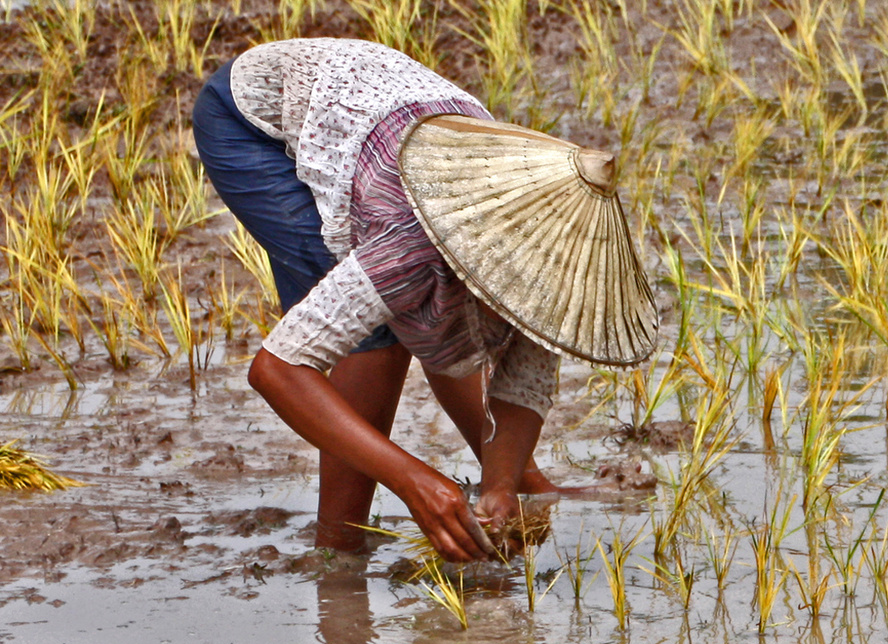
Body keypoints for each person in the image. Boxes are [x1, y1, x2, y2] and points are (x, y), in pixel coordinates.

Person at [192, 38, 657, 563]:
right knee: (376, 339)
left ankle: (516, 477)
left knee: (433, 313)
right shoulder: (412, 239)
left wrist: (500, 483)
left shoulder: (543, 258)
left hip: (381, 102)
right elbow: (276, 370)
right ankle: (339, 551)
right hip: (252, 118)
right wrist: (414, 481)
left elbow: (526, 374)